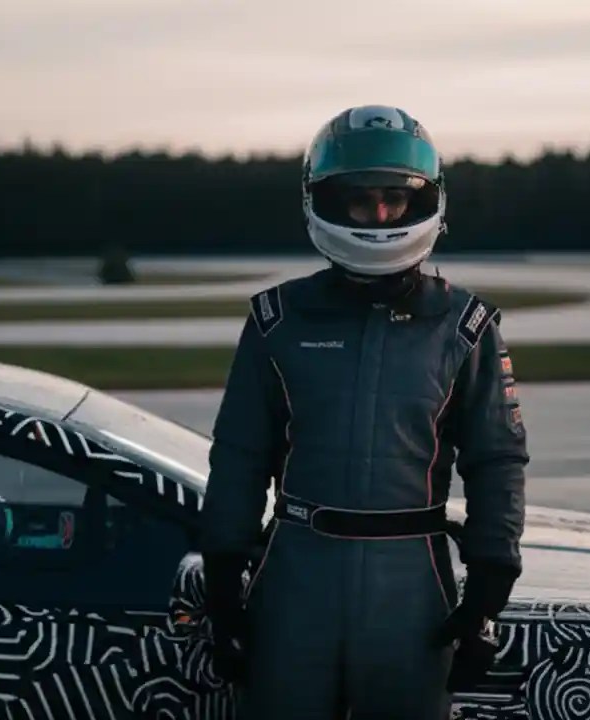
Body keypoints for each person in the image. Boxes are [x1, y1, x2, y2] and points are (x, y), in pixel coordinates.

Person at [199, 104, 529, 720]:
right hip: (295, 575)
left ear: (425, 201)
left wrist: (488, 588)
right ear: (322, 202)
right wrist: (223, 587)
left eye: (394, 201)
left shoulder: (466, 326)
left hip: (414, 584)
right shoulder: (276, 320)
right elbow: (240, 458)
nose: (379, 216)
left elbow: (497, 459)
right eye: (358, 202)